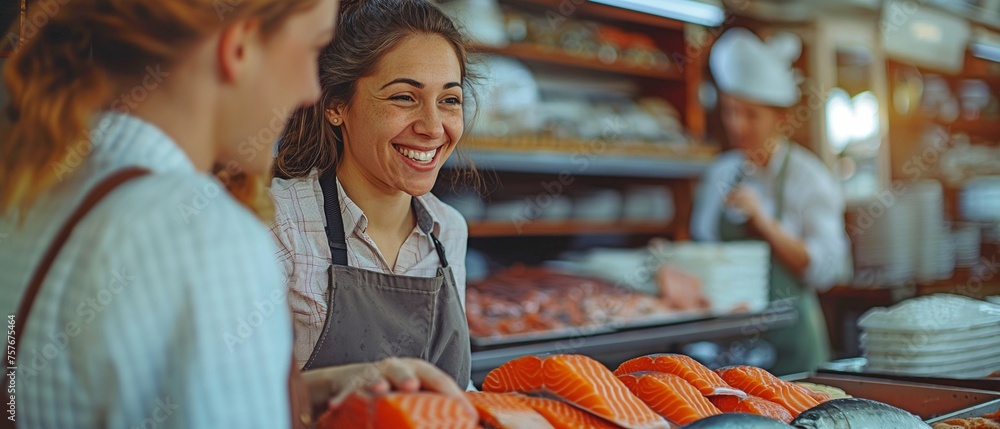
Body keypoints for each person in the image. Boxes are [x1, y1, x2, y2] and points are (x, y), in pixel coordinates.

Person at [0, 1, 468, 427]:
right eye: (310, 50)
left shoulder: (33, 188)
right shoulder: (210, 234)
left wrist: (333, 384)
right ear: (238, 47)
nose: (310, 89)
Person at [270, 0, 474, 387]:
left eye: (449, 100)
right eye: (404, 97)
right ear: (336, 107)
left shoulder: (448, 229)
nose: (433, 127)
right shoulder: (279, 224)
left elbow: (458, 389)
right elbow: (241, 396)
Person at [691, 28, 852, 375]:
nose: (737, 124)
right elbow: (704, 246)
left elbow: (825, 269)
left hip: (792, 341)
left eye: (751, 114)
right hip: (732, 342)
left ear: (781, 119)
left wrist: (763, 220)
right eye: (731, 111)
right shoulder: (722, 171)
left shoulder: (808, 177)